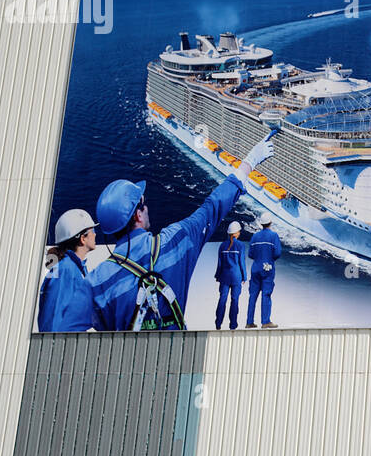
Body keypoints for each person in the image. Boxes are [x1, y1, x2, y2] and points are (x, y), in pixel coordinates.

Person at [91, 133, 275, 331]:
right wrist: (250, 162)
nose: (146, 207)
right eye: (143, 204)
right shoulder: (175, 240)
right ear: (137, 215)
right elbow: (212, 207)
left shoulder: (97, 281)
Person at [37, 208, 99, 332]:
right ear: (83, 238)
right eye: (92, 230)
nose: (95, 234)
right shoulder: (65, 270)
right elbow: (54, 320)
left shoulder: (70, 268)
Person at [246, 212, 283, 329]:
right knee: (266, 294)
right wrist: (269, 259)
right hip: (267, 268)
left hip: (255, 268)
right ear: (270, 222)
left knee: (253, 295)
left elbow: (250, 254)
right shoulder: (273, 236)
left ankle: (249, 322)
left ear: (261, 223)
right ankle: (265, 321)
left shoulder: (255, 236)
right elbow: (277, 253)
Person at [214, 221, 248, 330]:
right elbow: (242, 262)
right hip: (236, 277)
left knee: (222, 299)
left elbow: (220, 263)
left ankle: (218, 323)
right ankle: (233, 325)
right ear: (236, 233)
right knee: (235, 300)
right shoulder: (240, 245)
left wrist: (217, 275)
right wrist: (244, 276)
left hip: (224, 276)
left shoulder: (222, 245)